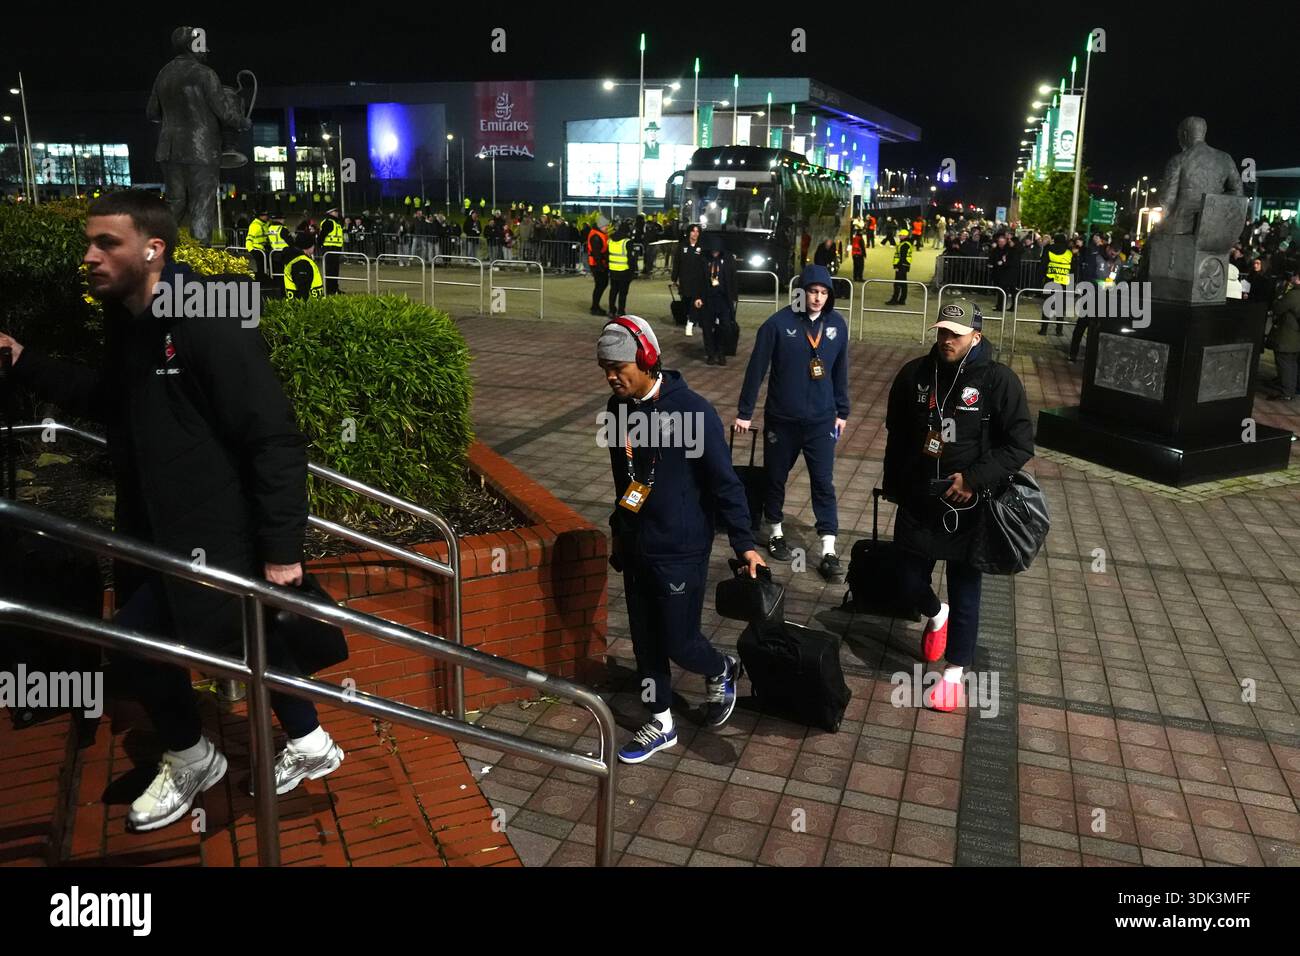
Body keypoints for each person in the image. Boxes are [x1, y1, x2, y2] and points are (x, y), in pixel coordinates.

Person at [0, 191, 342, 831]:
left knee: (133, 645)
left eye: (107, 243)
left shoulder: (205, 318)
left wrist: (282, 552)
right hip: (153, 531)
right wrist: (27, 363)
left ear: (153, 250)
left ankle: (195, 756)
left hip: (211, 536)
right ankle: (309, 742)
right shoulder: (130, 319)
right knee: (240, 636)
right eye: (88, 243)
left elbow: (273, 436)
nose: (90, 257)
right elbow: (114, 398)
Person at [598, 317, 766, 763]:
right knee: (645, 639)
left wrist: (744, 543)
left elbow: (725, 483)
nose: (612, 376)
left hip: (680, 547)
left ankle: (721, 667)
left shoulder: (693, 411)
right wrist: (620, 529)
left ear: (647, 359)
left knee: (679, 641)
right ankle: (661, 720)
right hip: (636, 544)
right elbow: (625, 478)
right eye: (605, 368)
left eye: (619, 367)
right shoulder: (617, 411)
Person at [881, 299, 1034, 710]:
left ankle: (954, 672)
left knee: (967, 587)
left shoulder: (998, 381)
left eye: (956, 333)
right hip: (918, 497)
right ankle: (935, 612)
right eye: (942, 331)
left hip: (969, 503)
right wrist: (893, 486)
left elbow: (1019, 445)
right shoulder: (915, 374)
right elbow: (896, 435)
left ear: (976, 336)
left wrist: (974, 479)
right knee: (906, 579)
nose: (947, 339)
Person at [736, 264, 850, 583]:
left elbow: (840, 371)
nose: (817, 298)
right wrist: (745, 412)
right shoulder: (777, 324)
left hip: (821, 421)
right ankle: (774, 530)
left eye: (823, 292)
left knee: (823, 482)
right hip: (782, 420)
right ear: (801, 292)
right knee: (775, 478)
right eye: (812, 291)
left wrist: (842, 411)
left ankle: (828, 548)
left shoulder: (837, 326)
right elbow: (756, 370)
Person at [700, 236, 738, 366]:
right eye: (713, 250)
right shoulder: (704, 259)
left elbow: (733, 279)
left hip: (723, 299)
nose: (714, 253)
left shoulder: (727, 260)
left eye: (717, 250)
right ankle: (711, 353)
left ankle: (721, 352)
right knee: (707, 327)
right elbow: (698, 279)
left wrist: (733, 298)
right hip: (708, 298)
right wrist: (698, 297)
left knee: (725, 326)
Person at [1071, 233, 1109, 362]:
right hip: (1092, 297)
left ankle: (1082, 354)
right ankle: (1075, 353)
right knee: (1083, 326)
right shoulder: (1094, 258)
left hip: (1097, 298)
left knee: (1088, 328)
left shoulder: (1105, 260)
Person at [1269, 272, 1300, 401]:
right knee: (1292, 364)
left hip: (1287, 336)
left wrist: (1279, 296)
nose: (1291, 278)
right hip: (1296, 337)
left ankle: (1286, 392)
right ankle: (1290, 390)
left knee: (1285, 364)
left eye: (1294, 276)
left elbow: (1277, 308)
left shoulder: (1293, 295)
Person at [672, 223, 706, 334]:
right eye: (693, 231)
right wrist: (674, 278)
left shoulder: (703, 247)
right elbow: (677, 262)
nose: (695, 234)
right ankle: (689, 317)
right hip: (685, 279)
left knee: (695, 301)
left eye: (697, 231)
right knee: (686, 300)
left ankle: (691, 322)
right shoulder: (682, 246)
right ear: (689, 232)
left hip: (698, 280)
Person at [1038, 233, 1074, 336]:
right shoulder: (1069, 252)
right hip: (1064, 283)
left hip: (1050, 281)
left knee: (1047, 306)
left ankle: (1043, 330)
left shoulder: (1048, 249)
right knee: (1060, 308)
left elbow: (1042, 265)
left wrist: (1039, 280)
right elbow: (1073, 269)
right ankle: (1059, 331)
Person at [606, 222, 638, 318]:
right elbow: (631, 258)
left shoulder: (610, 240)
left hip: (613, 270)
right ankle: (621, 311)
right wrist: (633, 271)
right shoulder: (627, 242)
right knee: (623, 293)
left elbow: (608, 255)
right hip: (624, 271)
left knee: (613, 291)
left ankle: (611, 310)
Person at [283, 233, 325, 300]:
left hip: (307, 304)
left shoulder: (297, 258)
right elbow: (303, 290)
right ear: (309, 246)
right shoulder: (302, 262)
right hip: (307, 306)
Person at [317, 207, 345, 294]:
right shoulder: (328, 222)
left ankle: (334, 289)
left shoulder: (335, 222)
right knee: (330, 271)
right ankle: (330, 290)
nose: (337, 213)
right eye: (335, 211)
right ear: (330, 212)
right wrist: (321, 246)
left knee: (335, 271)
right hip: (329, 249)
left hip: (335, 250)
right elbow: (321, 236)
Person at [587, 214, 610, 316]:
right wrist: (601, 266)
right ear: (601, 226)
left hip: (599, 264)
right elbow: (597, 254)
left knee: (601, 285)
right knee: (600, 285)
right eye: (606, 226)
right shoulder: (596, 236)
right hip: (597, 265)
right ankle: (595, 307)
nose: (607, 228)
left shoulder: (599, 234)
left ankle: (595, 306)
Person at [886, 230, 914, 304]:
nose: (899, 236)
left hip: (901, 266)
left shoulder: (904, 244)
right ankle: (902, 300)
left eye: (900, 235)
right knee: (903, 283)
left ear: (905, 236)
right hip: (905, 265)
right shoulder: (907, 243)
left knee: (897, 284)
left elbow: (902, 256)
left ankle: (895, 299)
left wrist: (897, 266)